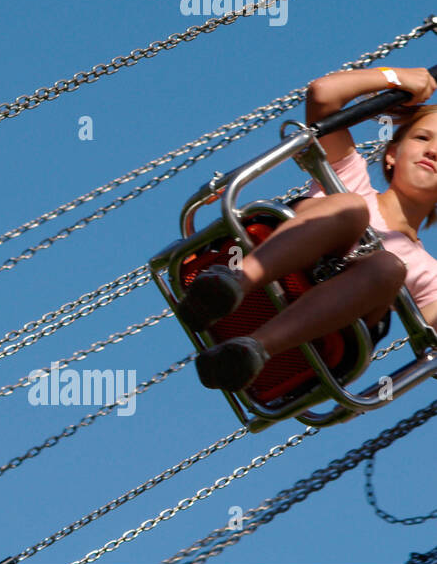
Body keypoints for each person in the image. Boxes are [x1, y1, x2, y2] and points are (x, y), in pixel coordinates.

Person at [178, 66, 437, 392]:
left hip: (320, 340)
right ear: (391, 153)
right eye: (422, 137)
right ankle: (232, 285)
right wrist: (397, 78)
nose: (433, 150)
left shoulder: (428, 271)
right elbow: (323, 94)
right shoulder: (350, 176)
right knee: (350, 206)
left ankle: (251, 351)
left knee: (388, 267)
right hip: (274, 267)